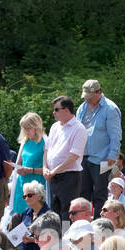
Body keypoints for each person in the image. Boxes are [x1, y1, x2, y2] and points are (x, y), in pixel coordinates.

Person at [76, 79, 122, 213]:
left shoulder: (110, 109)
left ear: (99, 92)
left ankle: (99, 224)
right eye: (85, 97)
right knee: (83, 193)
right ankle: (83, 223)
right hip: (83, 157)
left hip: (102, 159)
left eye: (90, 97)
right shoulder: (82, 107)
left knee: (99, 194)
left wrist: (113, 155)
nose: (87, 100)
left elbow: (115, 135)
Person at [44, 95, 88, 228]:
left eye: (57, 109)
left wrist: (53, 171)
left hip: (69, 176)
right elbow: (47, 150)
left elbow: (73, 157)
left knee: (67, 212)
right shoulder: (55, 127)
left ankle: (67, 241)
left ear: (67, 110)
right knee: (54, 210)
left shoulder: (79, 129)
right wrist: (45, 167)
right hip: (53, 176)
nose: (54, 112)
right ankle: (56, 241)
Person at [10, 115, 47, 217]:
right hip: (22, 184)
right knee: (20, 217)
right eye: (24, 128)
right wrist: (18, 168)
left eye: (28, 128)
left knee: (37, 216)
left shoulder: (45, 142)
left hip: (37, 186)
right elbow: (20, 163)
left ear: (37, 127)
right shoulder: (24, 142)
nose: (26, 131)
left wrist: (30, 170)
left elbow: (47, 168)